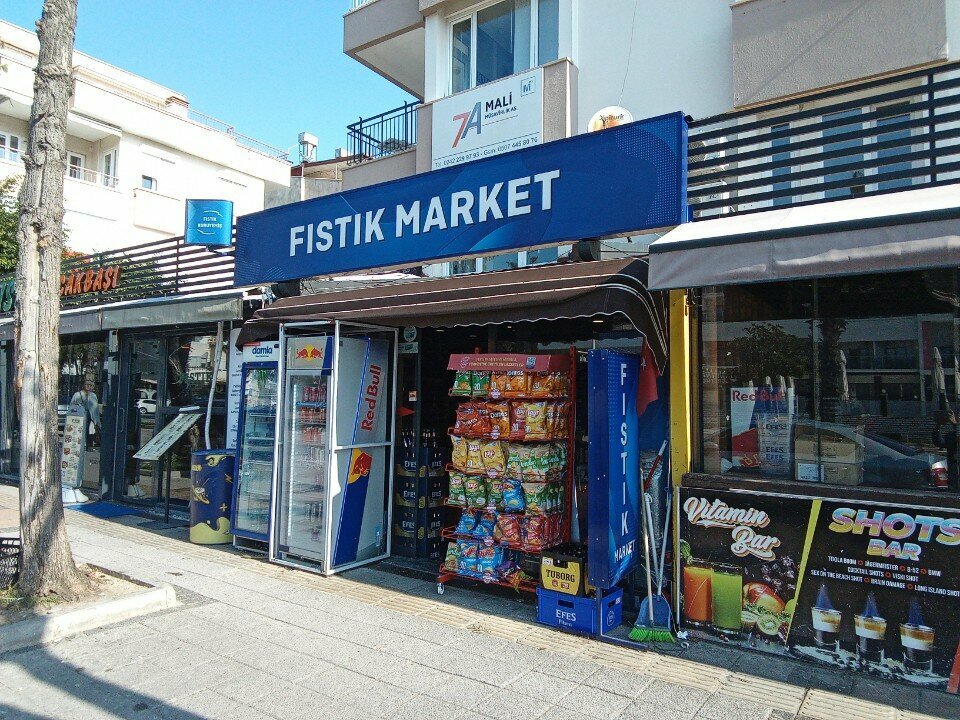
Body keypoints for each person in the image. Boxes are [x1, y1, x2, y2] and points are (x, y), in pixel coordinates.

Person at [70, 379, 101, 449]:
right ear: (83, 385)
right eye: (87, 384)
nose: (88, 386)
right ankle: (79, 446)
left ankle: (89, 446)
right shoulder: (77, 394)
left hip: (91, 417)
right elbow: (72, 406)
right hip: (80, 416)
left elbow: (95, 409)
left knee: (90, 431)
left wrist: (96, 421)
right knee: (80, 430)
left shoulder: (93, 395)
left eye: (90, 385)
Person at [933, 409, 959, 491]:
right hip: (953, 469)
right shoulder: (951, 435)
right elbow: (939, 443)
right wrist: (938, 426)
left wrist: (955, 424)